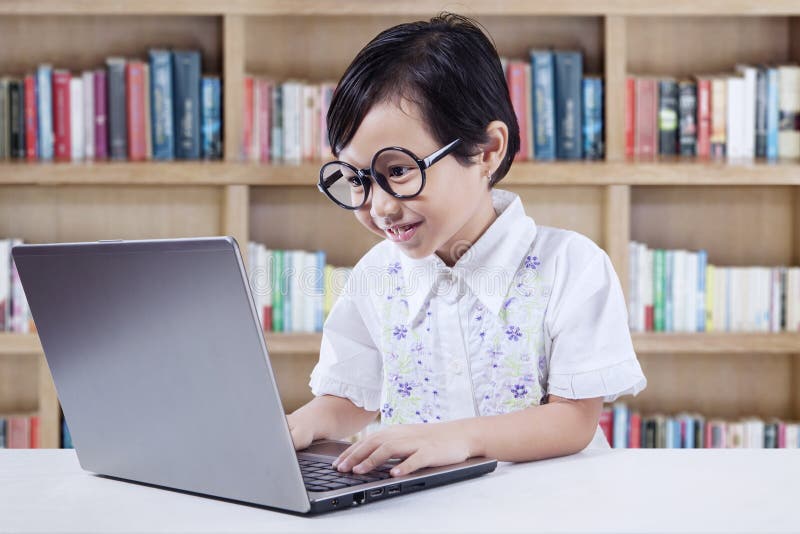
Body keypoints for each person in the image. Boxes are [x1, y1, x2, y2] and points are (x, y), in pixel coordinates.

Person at [287, 12, 646, 478]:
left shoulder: (571, 267)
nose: (380, 207)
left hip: (549, 503)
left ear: (487, 150)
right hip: (424, 506)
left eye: (398, 171)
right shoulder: (374, 277)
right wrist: (296, 426)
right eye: (357, 179)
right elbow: (350, 398)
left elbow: (574, 420)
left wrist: (459, 437)